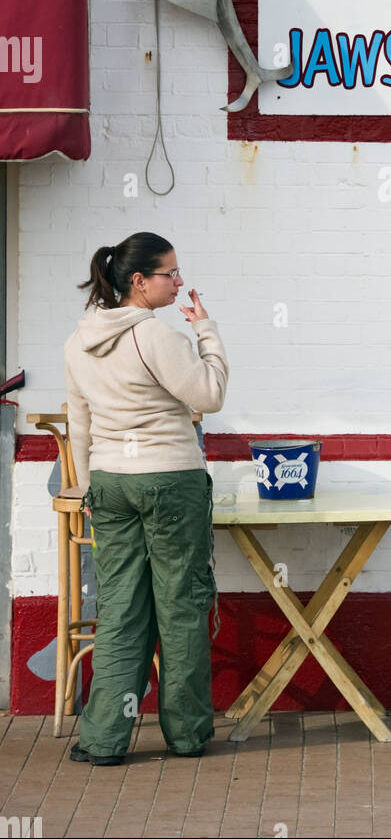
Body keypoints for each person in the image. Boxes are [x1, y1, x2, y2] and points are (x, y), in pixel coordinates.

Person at [62, 232, 229, 766]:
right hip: (169, 479)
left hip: (110, 482)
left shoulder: (77, 341)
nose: (179, 282)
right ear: (139, 282)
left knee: (119, 609)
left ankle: (105, 738)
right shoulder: (153, 337)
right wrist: (206, 331)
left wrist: (90, 486)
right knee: (180, 606)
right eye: (171, 274)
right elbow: (210, 395)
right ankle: (185, 735)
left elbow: (79, 425)